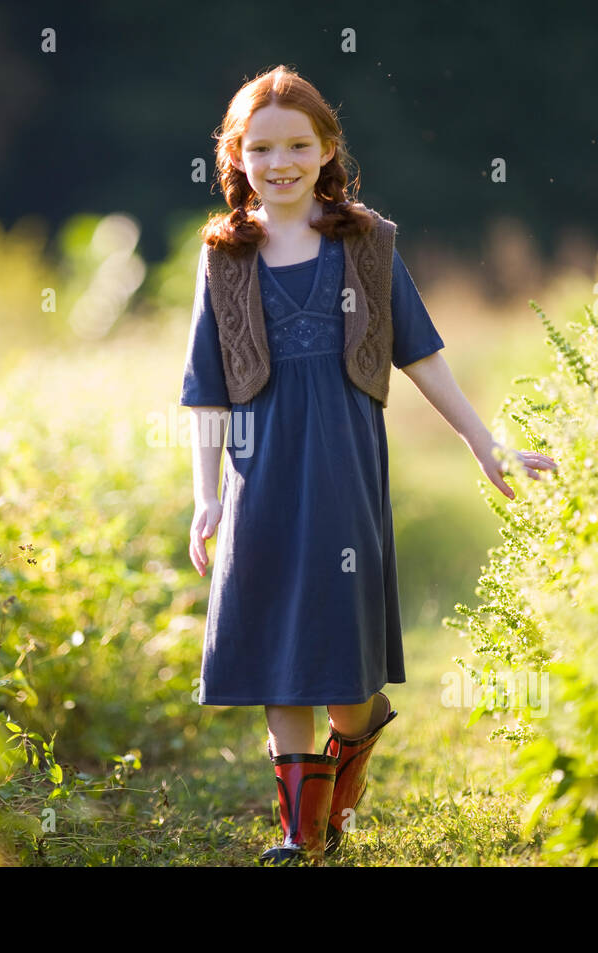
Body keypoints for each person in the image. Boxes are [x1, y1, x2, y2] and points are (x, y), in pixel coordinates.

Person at [179, 65, 558, 865]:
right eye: (261, 147)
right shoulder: (222, 259)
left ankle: (356, 744)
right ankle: (300, 837)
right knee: (280, 664)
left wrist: (483, 444)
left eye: (296, 145)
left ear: (325, 150)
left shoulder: (367, 244)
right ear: (236, 156)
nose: (279, 162)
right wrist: (205, 496)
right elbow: (206, 393)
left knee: (345, 685)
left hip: (343, 473)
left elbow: (423, 356)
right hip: (257, 481)